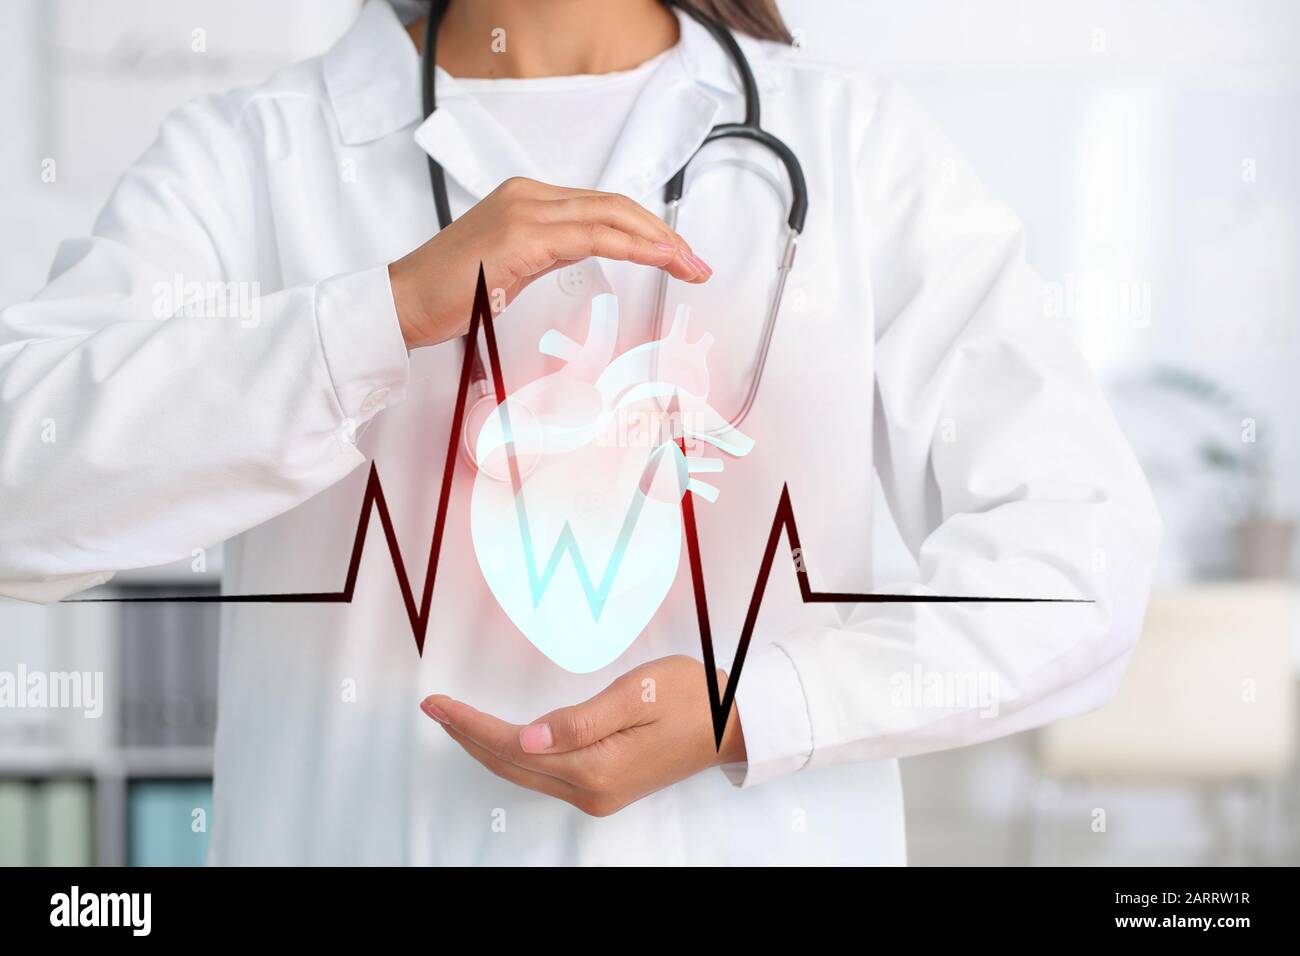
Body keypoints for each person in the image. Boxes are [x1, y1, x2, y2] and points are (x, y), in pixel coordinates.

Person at [0, 0, 1161, 864]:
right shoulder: (248, 162)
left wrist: (756, 708)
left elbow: (1081, 555)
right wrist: (385, 309)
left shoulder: (854, 147)